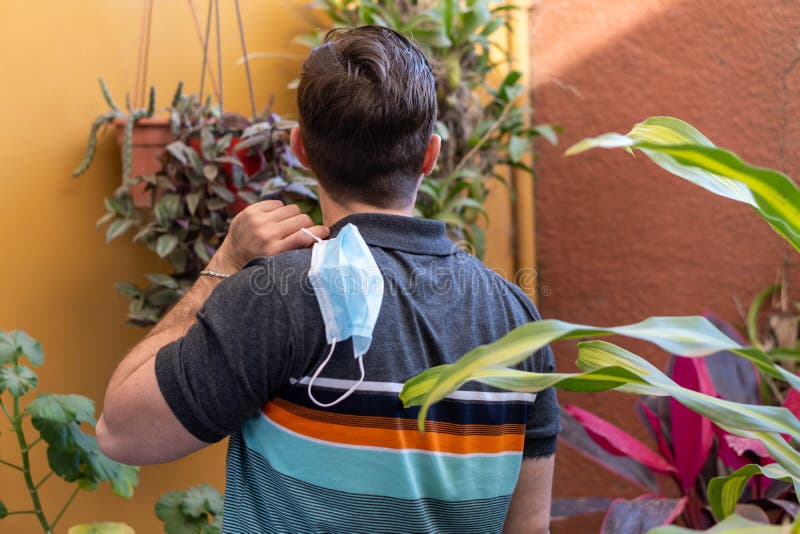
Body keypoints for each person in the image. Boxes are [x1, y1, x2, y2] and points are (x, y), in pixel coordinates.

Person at [97, 25, 559, 534]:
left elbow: (120, 433)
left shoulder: (273, 296)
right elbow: (529, 527)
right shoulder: (519, 320)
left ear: (301, 150)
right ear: (431, 154)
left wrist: (222, 267)